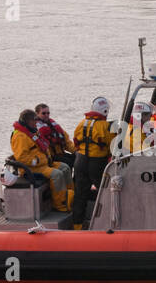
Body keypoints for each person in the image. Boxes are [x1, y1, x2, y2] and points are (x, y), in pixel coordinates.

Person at [9, 109, 71, 210]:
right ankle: (60, 205)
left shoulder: (32, 132)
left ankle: (70, 196)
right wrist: (37, 161)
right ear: (27, 121)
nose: (36, 122)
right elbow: (22, 158)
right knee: (57, 175)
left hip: (44, 164)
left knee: (65, 168)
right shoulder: (20, 136)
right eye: (34, 120)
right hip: (31, 169)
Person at [71, 96, 116, 229]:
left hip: (80, 161)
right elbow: (112, 146)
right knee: (105, 192)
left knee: (80, 194)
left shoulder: (81, 123)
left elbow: (76, 141)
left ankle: (77, 225)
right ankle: (107, 223)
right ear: (105, 111)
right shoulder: (106, 126)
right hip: (97, 163)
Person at [34, 103, 75, 168]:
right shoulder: (35, 128)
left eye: (48, 113)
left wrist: (76, 150)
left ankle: (76, 178)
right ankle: (67, 178)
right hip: (50, 156)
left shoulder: (54, 125)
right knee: (68, 162)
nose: (46, 115)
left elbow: (67, 142)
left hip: (60, 153)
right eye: (43, 113)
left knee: (77, 158)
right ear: (37, 114)